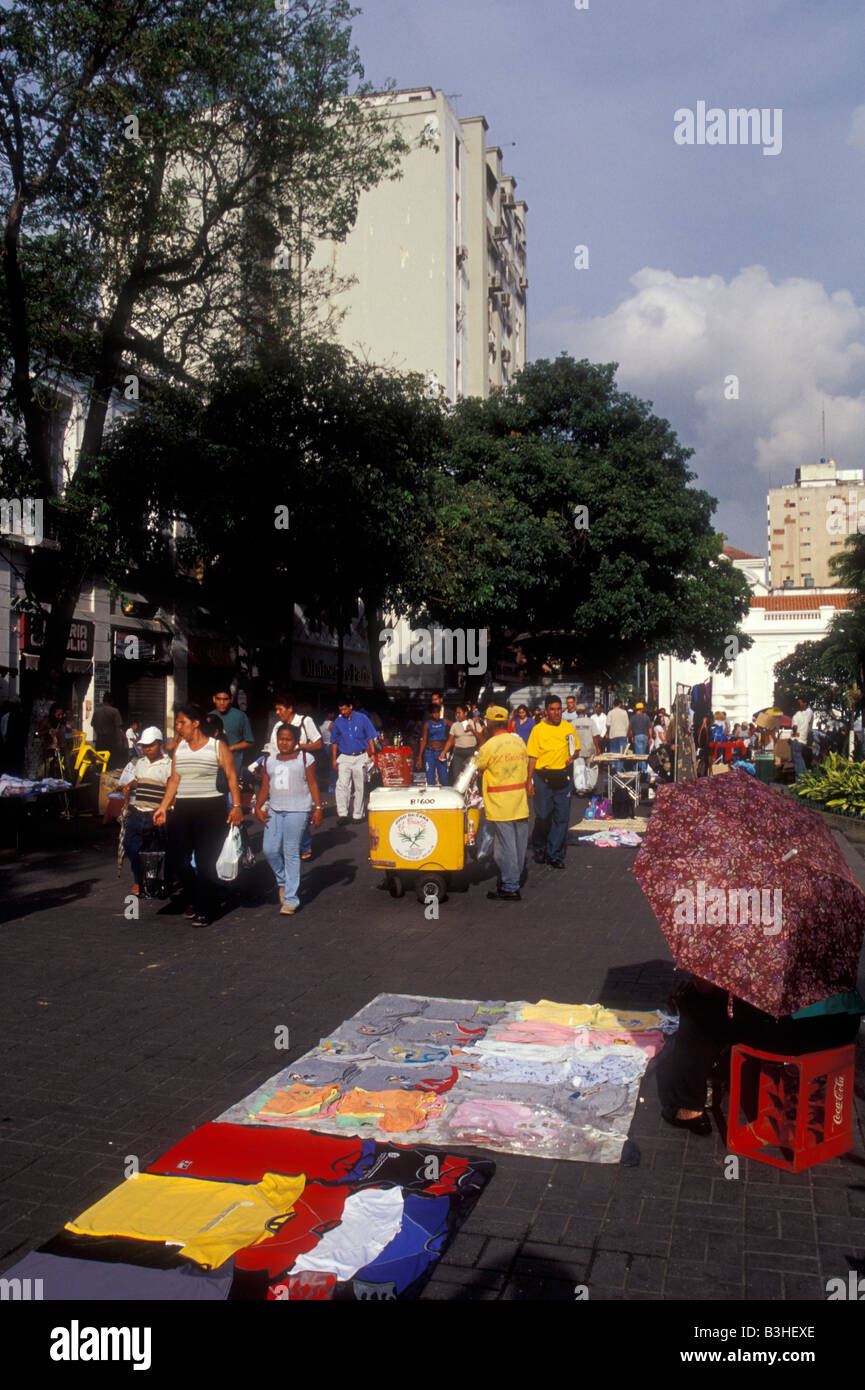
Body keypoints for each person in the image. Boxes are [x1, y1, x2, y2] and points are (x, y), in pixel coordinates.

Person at [657, 975, 862, 1135]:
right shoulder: (829, 921)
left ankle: (689, 1107)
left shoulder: (749, 925)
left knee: (698, 1008)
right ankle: (724, 1070)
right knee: (731, 1007)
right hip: (843, 1024)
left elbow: (706, 987)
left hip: (793, 1031)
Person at [153, 703, 243, 927]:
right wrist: (163, 807)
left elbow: (232, 777)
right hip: (183, 809)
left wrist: (237, 806)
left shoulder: (217, 746)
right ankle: (195, 895)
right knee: (178, 860)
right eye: (176, 724)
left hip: (211, 809)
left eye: (182, 723)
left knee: (205, 862)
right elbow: (174, 780)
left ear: (195, 723)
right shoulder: (179, 748)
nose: (178, 727)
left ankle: (204, 908)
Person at [256, 723, 322, 916]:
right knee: (269, 850)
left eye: (288, 739)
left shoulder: (305, 758)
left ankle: (291, 899)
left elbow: (312, 783)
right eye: (281, 739)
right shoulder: (269, 761)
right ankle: (283, 881)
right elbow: (265, 787)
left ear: (296, 741)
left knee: (291, 851)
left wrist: (318, 808)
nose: (284, 743)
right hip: (275, 810)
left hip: (298, 810)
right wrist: (257, 806)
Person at [476, 705, 529, 901]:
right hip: (520, 802)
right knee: (517, 845)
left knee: (505, 848)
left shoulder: (489, 746)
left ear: (489, 724)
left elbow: (478, 766)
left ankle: (510, 886)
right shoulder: (519, 742)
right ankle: (512, 878)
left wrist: (482, 739)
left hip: (500, 804)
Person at [265, 693, 323, 858]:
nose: (277, 712)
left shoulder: (305, 721)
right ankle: (288, 845)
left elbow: (318, 744)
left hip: (302, 767)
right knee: (283, 808)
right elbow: (272, 749)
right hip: (282, 770)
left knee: (300, 807)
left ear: (290, 708)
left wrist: (298, 746)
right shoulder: (277, 727)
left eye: (280, 709)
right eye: (276, 709)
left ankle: (305, 845)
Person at [118, 727, 172, 896]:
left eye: (151, 745)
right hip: (138, 812)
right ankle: (138, 879)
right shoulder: (140, 763)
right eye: (144, 746)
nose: (147, 749)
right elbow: (138, 780)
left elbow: (173, 788)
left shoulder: (169, 764)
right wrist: (129, 786)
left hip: (156, 814)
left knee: (156, 850)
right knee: (130, 845)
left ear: (160, 744)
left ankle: (157, 881)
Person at [526, 695, 577, 870]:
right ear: (546, 711)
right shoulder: (538, 730)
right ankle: (539, 847)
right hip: (543, 778)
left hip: (563, 779)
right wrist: (529, 781)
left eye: (558, 709)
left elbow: (575, 750)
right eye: (552, 709)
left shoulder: (568, 728)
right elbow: (532, 757)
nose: (556, 713)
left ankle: (555, 854)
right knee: (543, 815)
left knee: (561, 818)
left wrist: (573, 757)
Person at [331, 698, 377, 824]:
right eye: (341, 710)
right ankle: (343, 814)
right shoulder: (338, 721)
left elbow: (370, 736)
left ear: (351, 707)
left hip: (360, 756)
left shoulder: (362, 718)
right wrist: (334, 759)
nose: (343, 712)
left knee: (359, 785)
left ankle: (358, 814)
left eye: (345, 709)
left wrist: (372, 754)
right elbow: (334, 741)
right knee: (342, 785)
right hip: (344, 756)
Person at [210, 688, 255, 785]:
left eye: (225, 699)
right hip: (212, 770)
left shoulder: (240, 716)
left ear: (231, 699)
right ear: (214, 699)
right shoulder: (209, 717)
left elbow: (250, 741)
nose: (222, 702)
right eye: (219, 699)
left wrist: (232, 748)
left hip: (235, 769)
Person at [439, 704, 483, 785]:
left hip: (471, 752)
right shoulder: (455, 725)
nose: (457, 715)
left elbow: (481, 738)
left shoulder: (473, 722)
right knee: (457, 776)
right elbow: (450, 740)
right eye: (456, 713)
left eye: (459, 713)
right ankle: (459, 795)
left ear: (465, 713)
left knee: (471, 775)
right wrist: (443, 752)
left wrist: (472, 730)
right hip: (459, 753)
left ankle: (471, 794)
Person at [416, 704, 449, 786]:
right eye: (434, 713)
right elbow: (424, 740)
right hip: (430, 752)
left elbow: (457, 726)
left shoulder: (444, 722)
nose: (437, 715)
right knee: (430, 778)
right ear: (431, 714)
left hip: (441, 752)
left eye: (438, 712)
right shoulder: (427, 724)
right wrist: (419, 757)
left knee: (443, 778)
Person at [570, 702, 598, 795]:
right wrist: (598, 748)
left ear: (576, 712)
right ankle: (590, 786)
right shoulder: (590, 721)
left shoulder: (573, 723)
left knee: (579, 768)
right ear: (585, 711)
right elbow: (595, 736)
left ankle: (580, 788)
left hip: (578, 750)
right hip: (590, 748)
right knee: (592, 768)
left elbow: (571, 738)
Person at [91, 692, 126, 767]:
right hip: (111, 740)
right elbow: (118, 727)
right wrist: (119, 741)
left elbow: (93, 724)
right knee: (112, 761)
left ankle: (100, 773)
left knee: (100, 759)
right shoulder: (114, 711)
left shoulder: (96, 711)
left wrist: (98, 733)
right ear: (112, 701)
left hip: (100, 739)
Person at [629, 701, 652, 780]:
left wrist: (631, 737)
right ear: (642, 709)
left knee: (639, 754)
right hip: (645, 736)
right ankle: (643, 770)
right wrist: (650, 738)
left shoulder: (633, 718)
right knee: (643, 753)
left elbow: (630, 729)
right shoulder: (646, 717)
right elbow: (650, 728)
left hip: (637, 736)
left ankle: (643, 771)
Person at [791, 697, 814, 781]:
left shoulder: (795, 716)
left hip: (796, 740)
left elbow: (795, 727)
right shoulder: (805, 716)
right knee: (800, 760)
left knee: (797, 762)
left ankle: (800, 779)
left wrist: (793, 734)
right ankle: (806, 778)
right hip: (803, 740)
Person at [606, 698, 630, 772]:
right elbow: (627, 724)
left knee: (613, 751)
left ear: (613, 704)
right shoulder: (624, 712)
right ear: (620, 704)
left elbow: (607, 724)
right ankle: (619, 769)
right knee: (621, 753)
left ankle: (613, 765)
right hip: (622, 734)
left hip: (613, 734)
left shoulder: (610, 712)